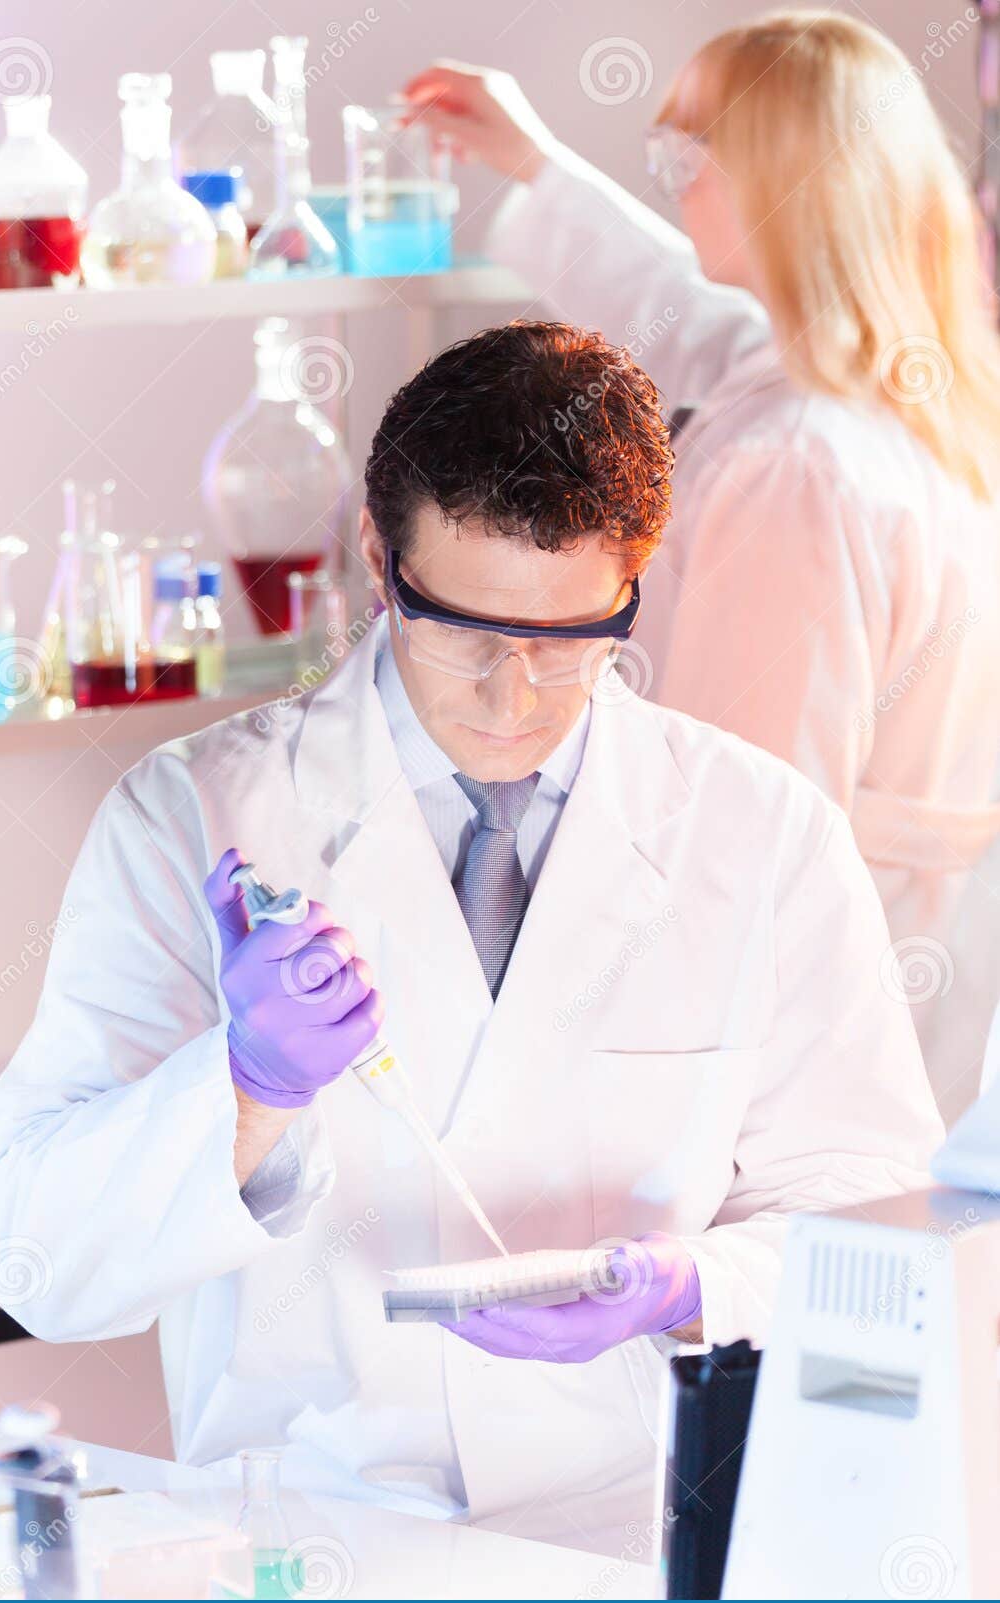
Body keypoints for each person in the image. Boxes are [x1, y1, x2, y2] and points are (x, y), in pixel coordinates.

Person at [0, 323, 941, 1555]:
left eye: (568, 641)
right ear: (379, 561)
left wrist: (694, 1286)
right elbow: (34, 1258)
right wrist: (245, 1091)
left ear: (634, 575)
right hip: (311, 1546)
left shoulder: (760, 833)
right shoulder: (193, 817)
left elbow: (879, 1223)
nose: (511, 694)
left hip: (637, 1543)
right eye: (463, 629)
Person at [403, 11, 1000, 1126]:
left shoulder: (792, 471)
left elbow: (738, 816)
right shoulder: (901, 402)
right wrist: (529, 157)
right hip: (906, 969)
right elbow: (675, 304)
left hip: (787, 1021)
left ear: (787, 182)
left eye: (689, 154)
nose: (674, 184)